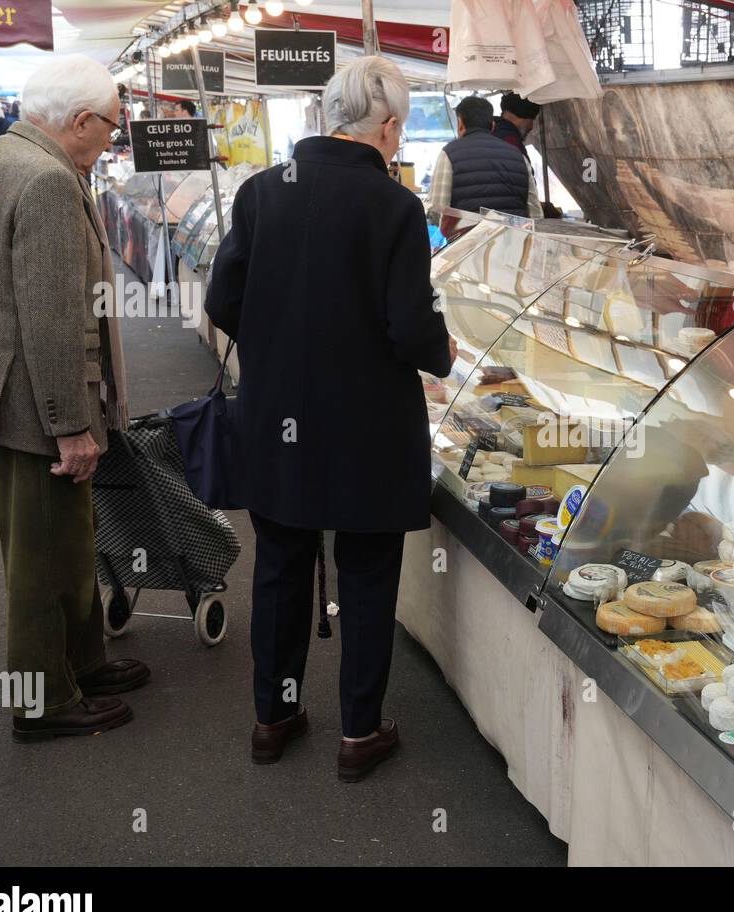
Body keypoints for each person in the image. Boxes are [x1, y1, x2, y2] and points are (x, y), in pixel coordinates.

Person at [205, 56, 454, 782]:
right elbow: (410, 327)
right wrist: (444, 354)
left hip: (277, 414)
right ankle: (358, 732)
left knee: (280, 564)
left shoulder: (260, 193)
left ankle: (273, 717)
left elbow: (223, 303)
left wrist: (279, 343)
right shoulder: (394, 206)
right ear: (387, 127)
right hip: (369, 428)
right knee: (369, 572)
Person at [0, 54, 147, 741]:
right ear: (81, 120)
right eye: (112, 127)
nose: (112, 140)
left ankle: (80, 663)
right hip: (31, 399)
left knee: (59, 538)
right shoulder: (50, 181)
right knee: (42, 554)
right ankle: (44, 700)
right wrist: (71, 426)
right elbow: (53, 318)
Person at [426, 95, 541, 224]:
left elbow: (437, 210)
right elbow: (536, 213)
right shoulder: (519, 156)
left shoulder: (449, 154)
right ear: (492, 125)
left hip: (469, 241)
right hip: (514, 241)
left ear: (460, 124)